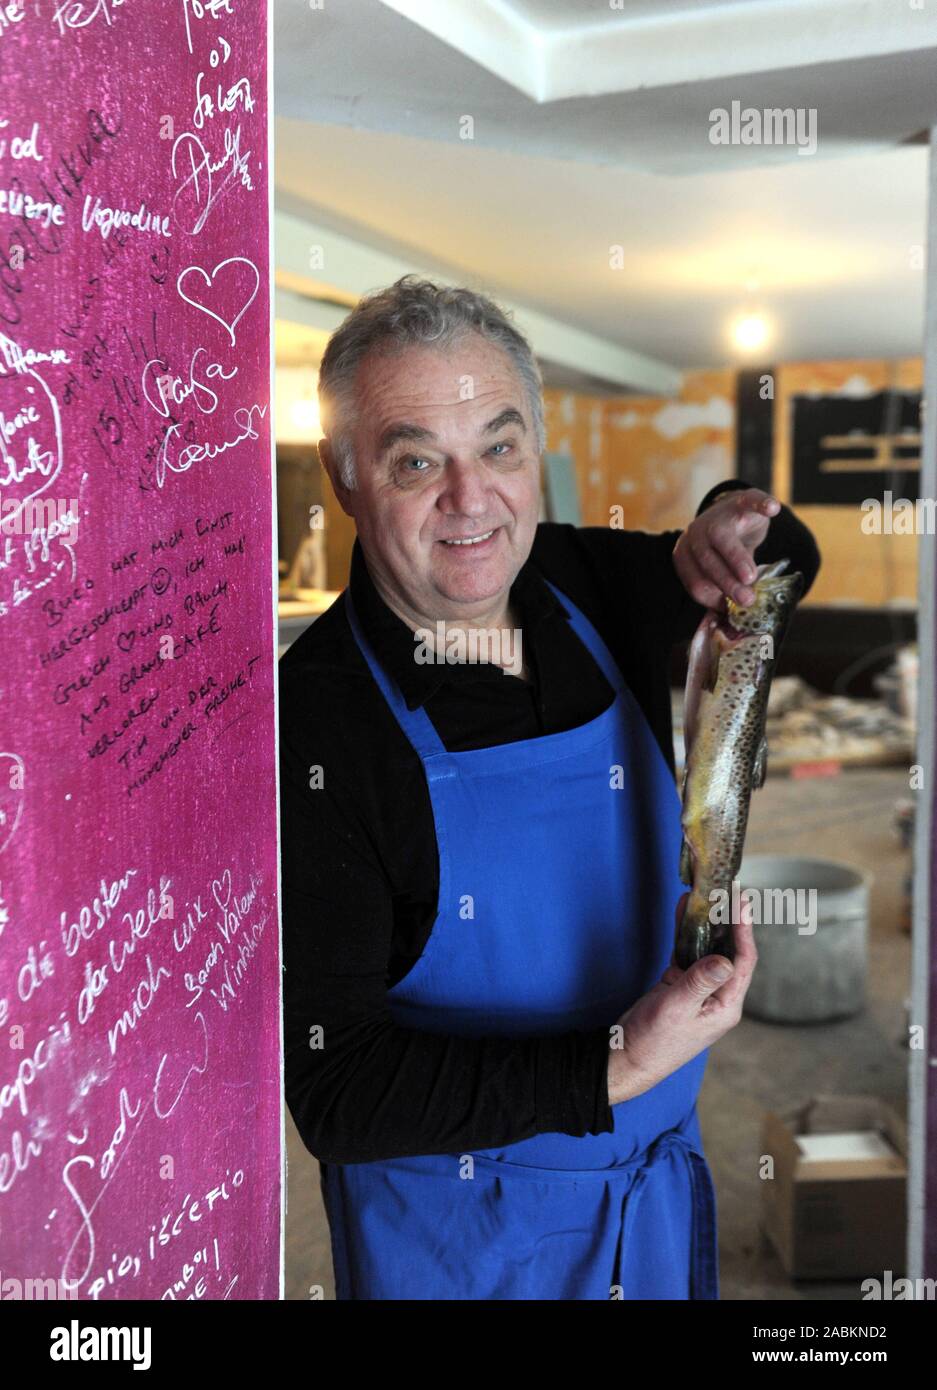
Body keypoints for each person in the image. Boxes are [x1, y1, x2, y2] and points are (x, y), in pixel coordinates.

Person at [279, 275, 821, 1300]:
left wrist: (727, 525)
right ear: (344, 475)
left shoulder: (577, 583)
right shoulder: (318, 722)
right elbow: (335, 1089)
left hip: (651, 1207)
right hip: (462, 1246)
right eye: (413, 461)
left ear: (535, 447)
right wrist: (613, 1063)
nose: (470, 499)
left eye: (498, 444)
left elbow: (785, 562)